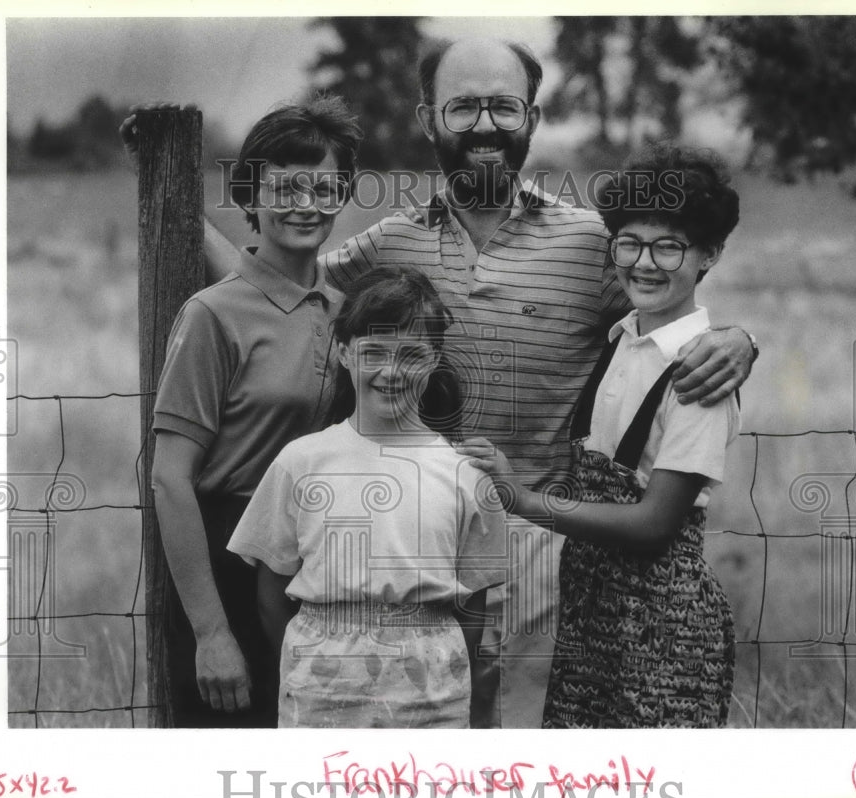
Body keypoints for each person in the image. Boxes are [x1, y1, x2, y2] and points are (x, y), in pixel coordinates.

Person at [127, 36, 757, 728]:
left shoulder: (591, 244)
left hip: (545, 555)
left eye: (502, 107)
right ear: (429, 121)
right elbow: (281, 284)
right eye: (463, 109)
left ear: (533, 120)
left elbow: (664, 300)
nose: (484, 126)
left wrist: (735, 339)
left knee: (520, 745)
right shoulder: (388, 243)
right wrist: (179, 206)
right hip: (410, 544)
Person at [459, 143, 740, 727]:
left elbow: (652, 524)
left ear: (709, 254)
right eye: (630, 243)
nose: (645, 262)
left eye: (669, 246)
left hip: (665, 626)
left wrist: (527, 502)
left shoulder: (699, 373)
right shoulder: (618, 341)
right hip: (591, 615)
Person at [148, 96, 362, 727]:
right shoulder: (212, 314)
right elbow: (170, 478)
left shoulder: (345, 313)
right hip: (226, 563)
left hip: (313, 558)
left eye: (324, 186)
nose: (306, 203)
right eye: (286, 186)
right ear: (251, 194)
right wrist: (212, 632)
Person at [226, 267, 507, 728]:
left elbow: (474, 605)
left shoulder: (465, 475)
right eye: (373, 352)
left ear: (435, 357)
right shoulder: (301, 463)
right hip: (319, 694)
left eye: (411, 355)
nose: (392, 372)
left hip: (432, 697)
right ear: (342, 353)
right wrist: (314, 663)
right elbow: (270, 594)